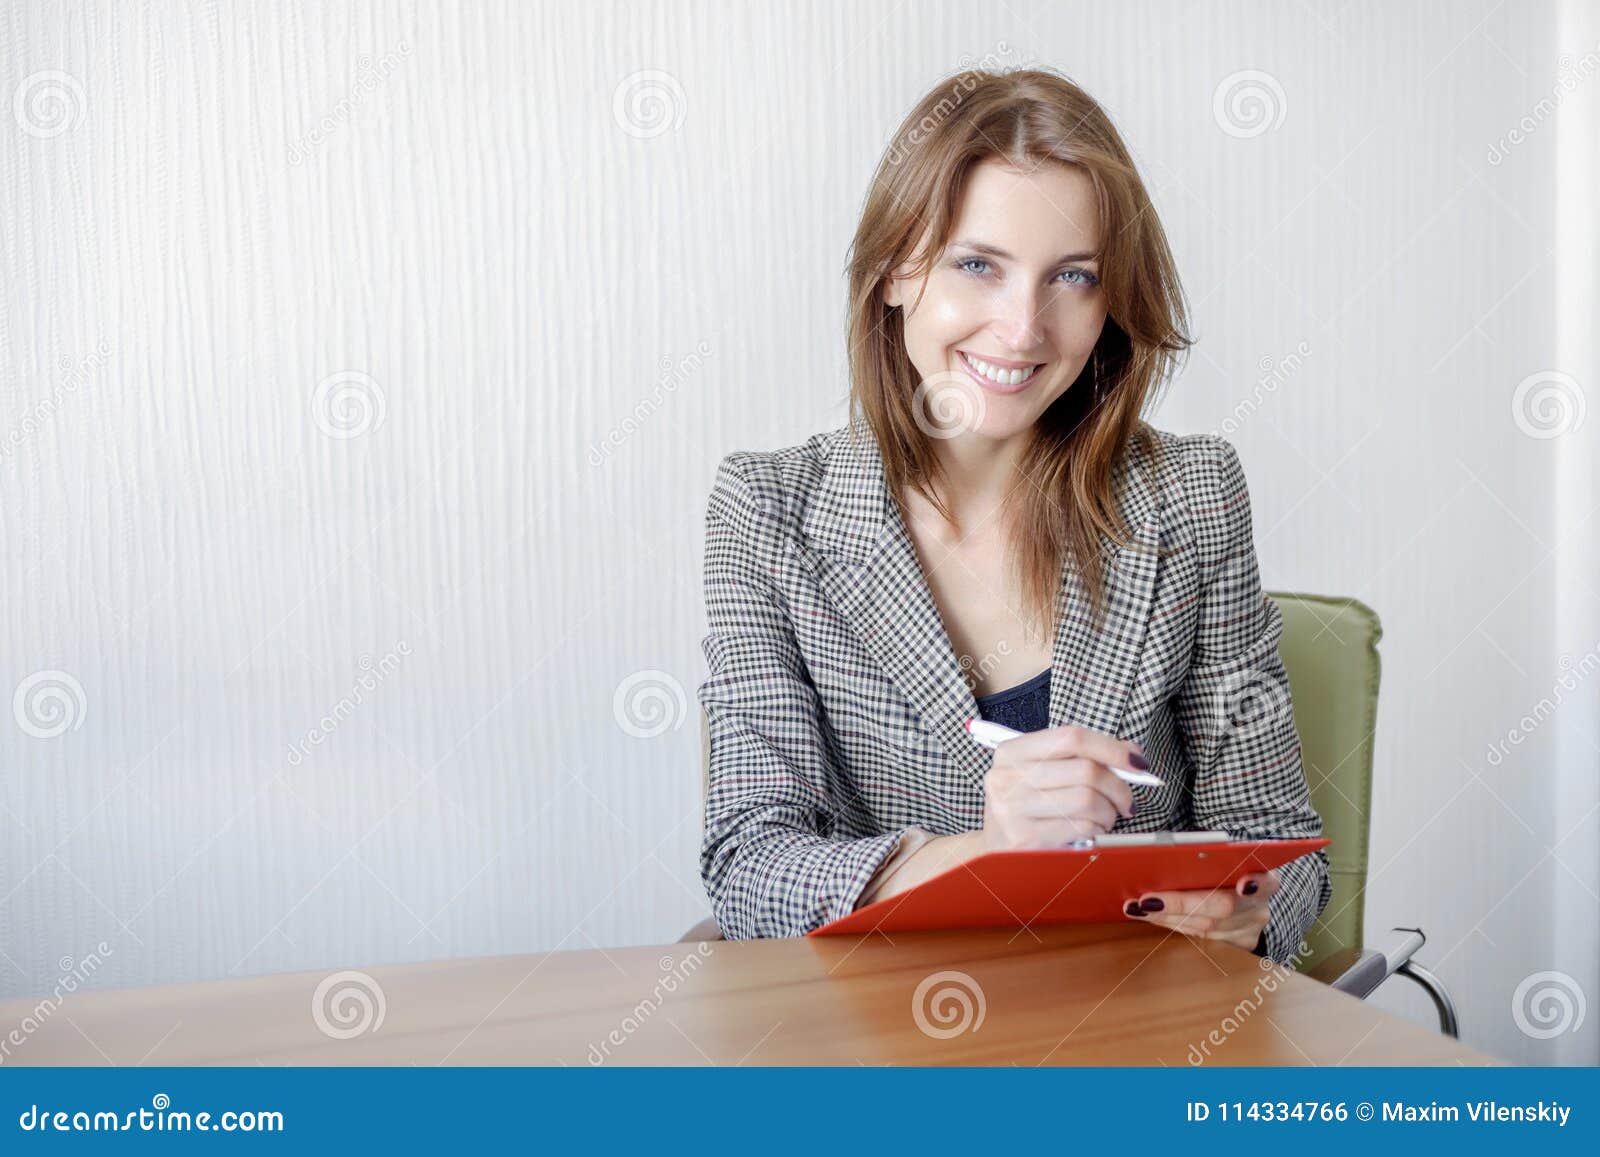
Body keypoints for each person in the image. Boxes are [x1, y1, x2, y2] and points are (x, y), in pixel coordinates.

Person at [695, 67, 1330, 964]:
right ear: (892, 272)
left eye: (1071, 277)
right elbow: (750, 869)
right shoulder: (768, 513)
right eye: (978, 265)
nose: (1024, 327)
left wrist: (1250, 907)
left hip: (1139, 1040)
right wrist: (983, 857)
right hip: (888, 1057)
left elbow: (1277, 838)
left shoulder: (1192, 496)